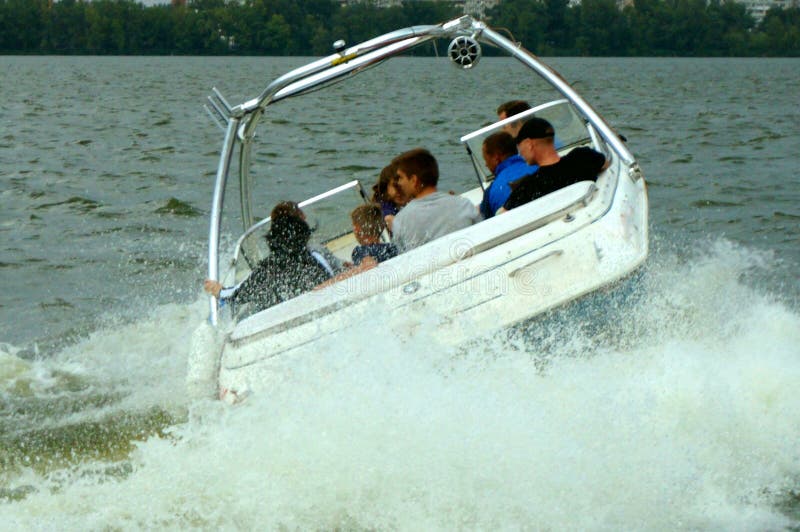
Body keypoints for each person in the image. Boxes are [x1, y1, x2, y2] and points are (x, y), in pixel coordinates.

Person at [204, 211, 332, 318]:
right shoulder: (314, 260)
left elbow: (236, 295)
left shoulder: (267, 269)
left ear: (272, 242)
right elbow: (332, 281)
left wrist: (219, 291)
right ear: (304, 237)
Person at [501, 117, 609, 212]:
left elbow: (503, 215)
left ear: (529, 144)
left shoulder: (527, 187)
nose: (520, 152)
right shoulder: (583, 157)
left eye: (519, 145)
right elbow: (606, 165)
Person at [390, 148, 482, 252]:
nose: (399, 183)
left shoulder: (401, 221)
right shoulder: (463, 205)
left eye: (401, 178)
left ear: (414, 180)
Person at [316, 203, 398, 289]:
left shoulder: (359, 251)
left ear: (357, 229)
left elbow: (369, 265)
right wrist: (354, 266)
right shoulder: (391, 247)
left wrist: (325, 285)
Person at [479, 131, 537, 219]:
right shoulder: (540, 168)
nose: (486, 165)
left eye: (486, 159)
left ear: (496, 158)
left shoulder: (491, 191)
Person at [371, 164, 408, 233]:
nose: (400, 191)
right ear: (385, 188)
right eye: (396, 186)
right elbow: (388, 218)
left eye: (403, 186)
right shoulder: (385, 207)